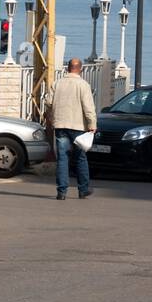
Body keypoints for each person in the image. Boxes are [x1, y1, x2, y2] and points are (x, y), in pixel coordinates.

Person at [51, 58, 97, 200]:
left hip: (60, 124)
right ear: (81, 69)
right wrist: (92, 124)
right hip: (78, 126)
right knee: (80, 157)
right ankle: (83, 189)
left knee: (62, 158)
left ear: (67, 68)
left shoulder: (57, 83)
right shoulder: (83, 85)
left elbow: (48, 101)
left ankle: (61, 191)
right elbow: (88, 107)